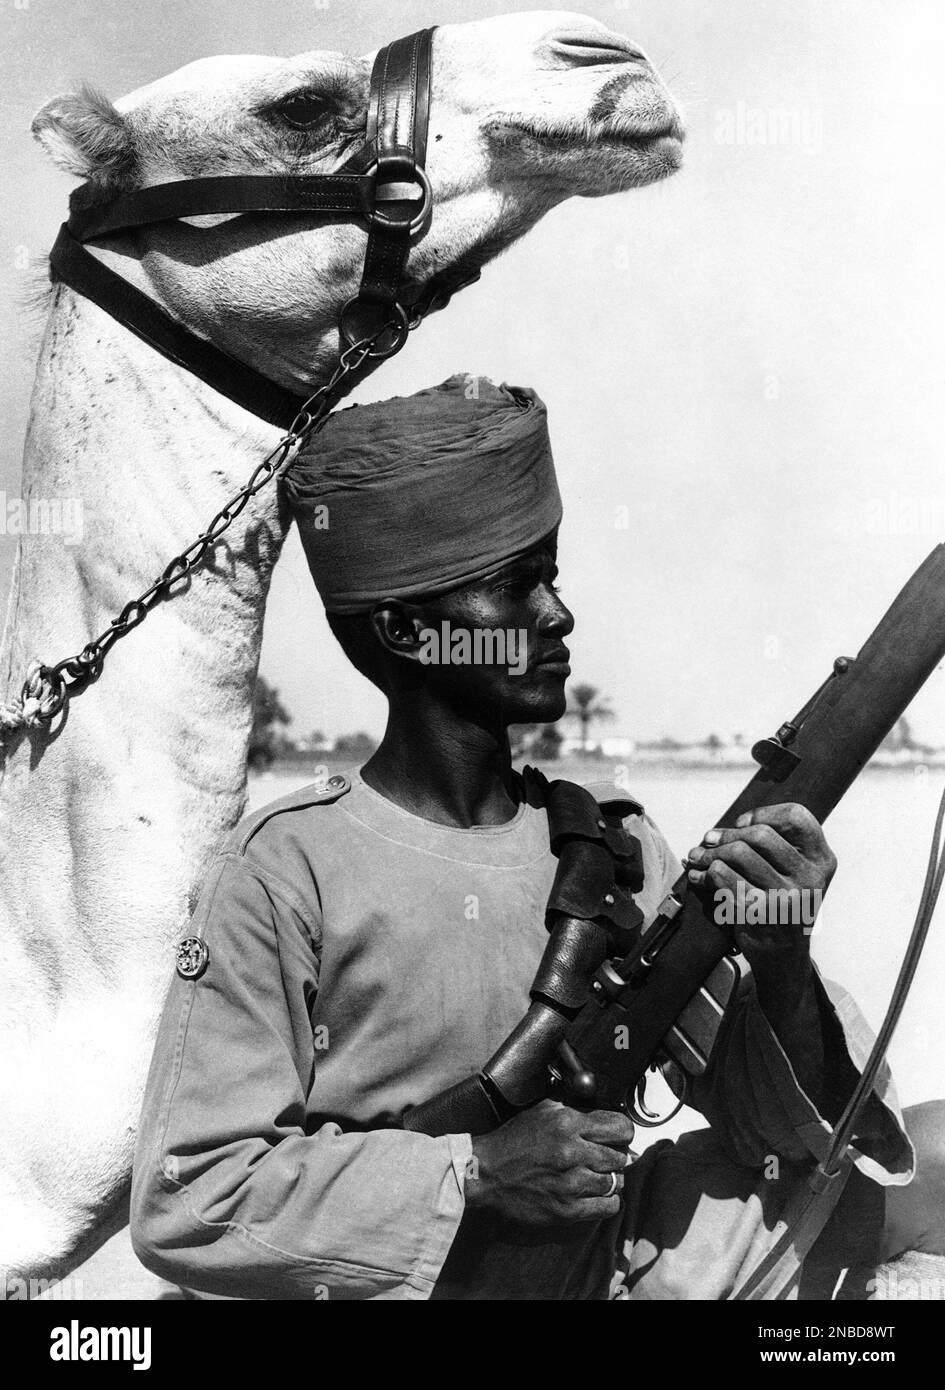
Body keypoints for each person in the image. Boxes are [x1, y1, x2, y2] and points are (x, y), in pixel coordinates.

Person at [130, 375, 912, 1301]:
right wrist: (475, 1174)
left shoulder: (611, 846)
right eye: (514, 587)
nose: (556, 614)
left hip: (601, 1265)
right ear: (405, 631)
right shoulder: (288, 869)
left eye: (552, 574)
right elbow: (190, 1196)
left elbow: (787, 1135)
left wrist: (781, 959)